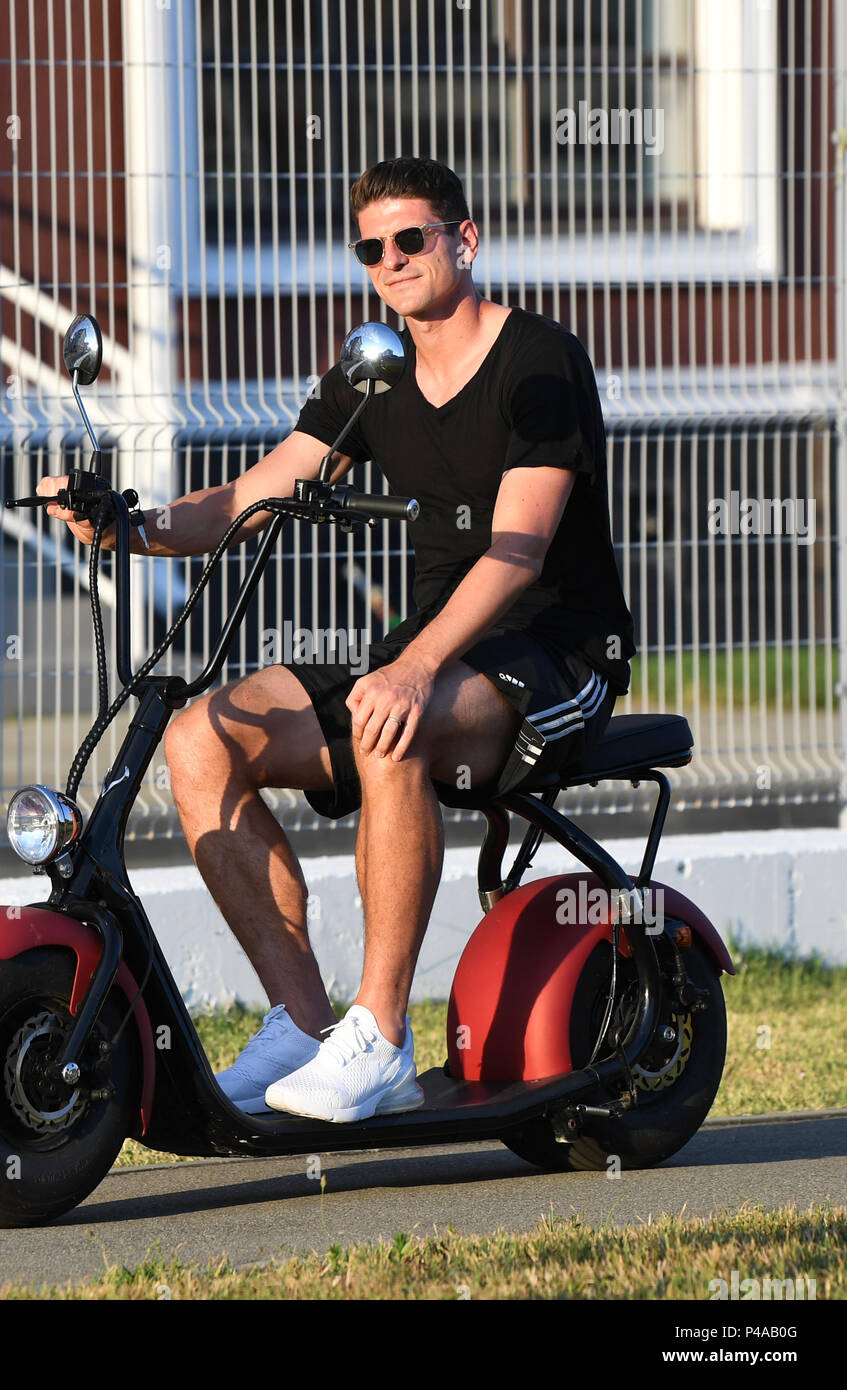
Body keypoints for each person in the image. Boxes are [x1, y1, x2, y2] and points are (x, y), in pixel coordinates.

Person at [38, 156, 635, 1125]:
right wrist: (129, 524)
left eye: (411, 239)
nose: (391, 261)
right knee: (201, 737)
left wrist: (410, 667)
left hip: (555, 654)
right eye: (371, 248)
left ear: (463, 240)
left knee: (386, 714)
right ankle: (304, 1022)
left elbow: (518, 554)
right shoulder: (374, 374)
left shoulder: (537, 362)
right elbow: (252, 494)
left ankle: (383, 1035)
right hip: (430, 652)